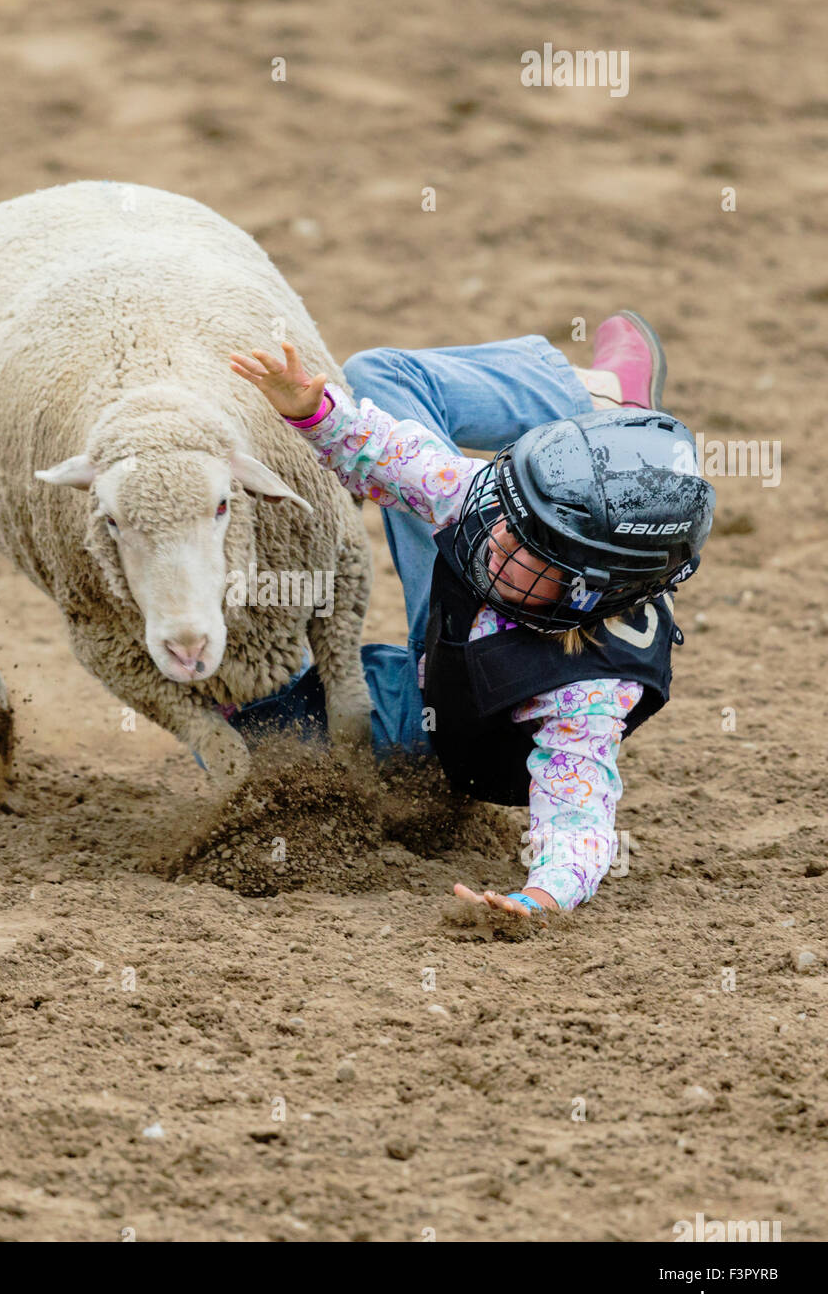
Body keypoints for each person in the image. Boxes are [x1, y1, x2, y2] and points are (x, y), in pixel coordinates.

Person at [228, 313, 714, 925]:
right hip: (454, 630)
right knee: (379, 374)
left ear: (588, 594)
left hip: (447, 730)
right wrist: (314, 411)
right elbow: (393, 455)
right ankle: (596, 408)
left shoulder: (586, 694)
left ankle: (602, 425)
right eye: (511, 512)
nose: (498, 537)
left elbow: (576, 821)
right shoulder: (491, 512)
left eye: (528, 549)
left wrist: (537, 899)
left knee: (262, 731)